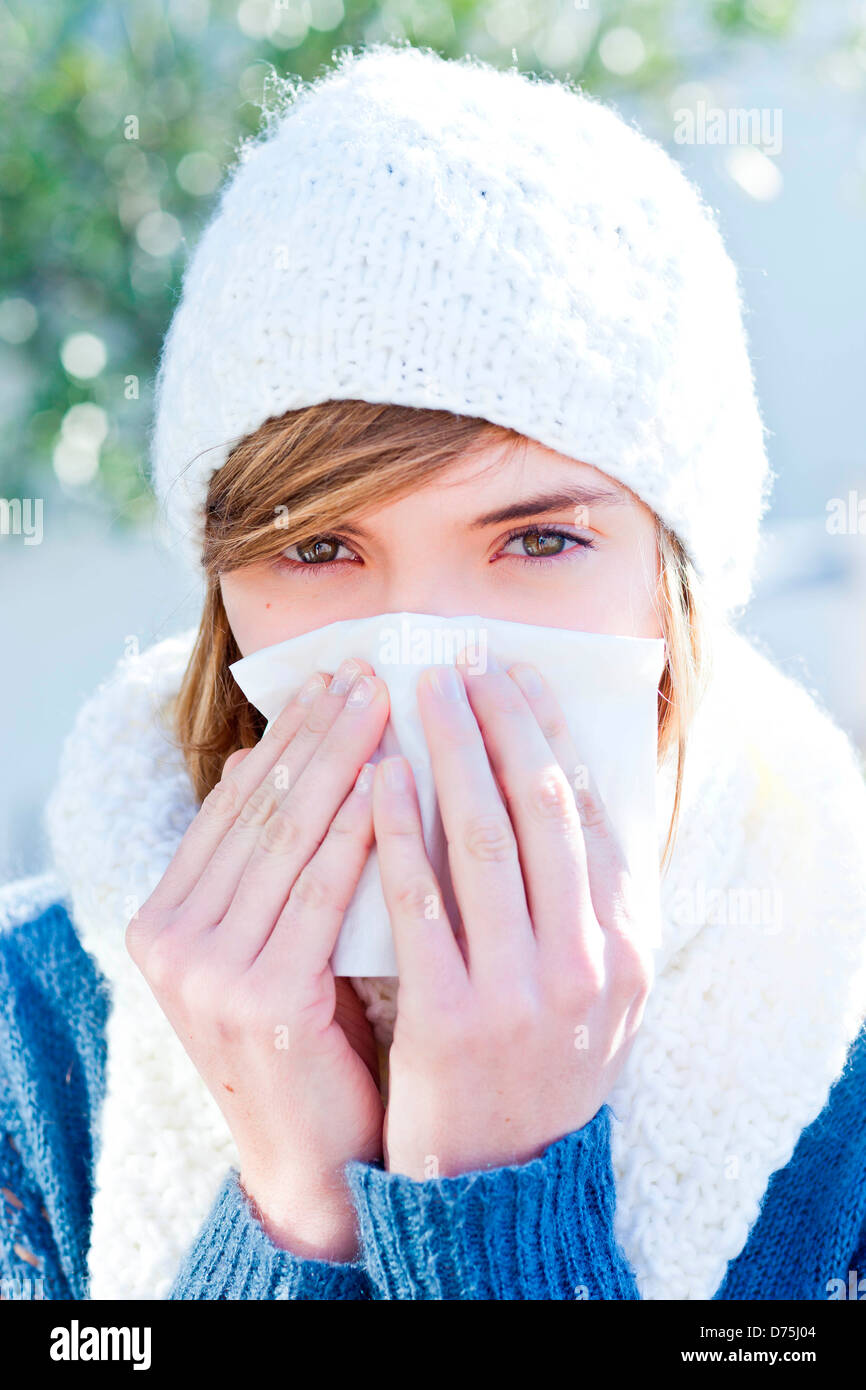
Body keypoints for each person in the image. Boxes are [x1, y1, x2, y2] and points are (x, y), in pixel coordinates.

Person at [2, 42, 865, 1303]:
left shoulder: (831, 1035)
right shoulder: (30, 1039)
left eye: (535, 539)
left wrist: (489, 1209)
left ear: (679, 580)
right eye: (318, 544)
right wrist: (296, 1217)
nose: (424, 655)